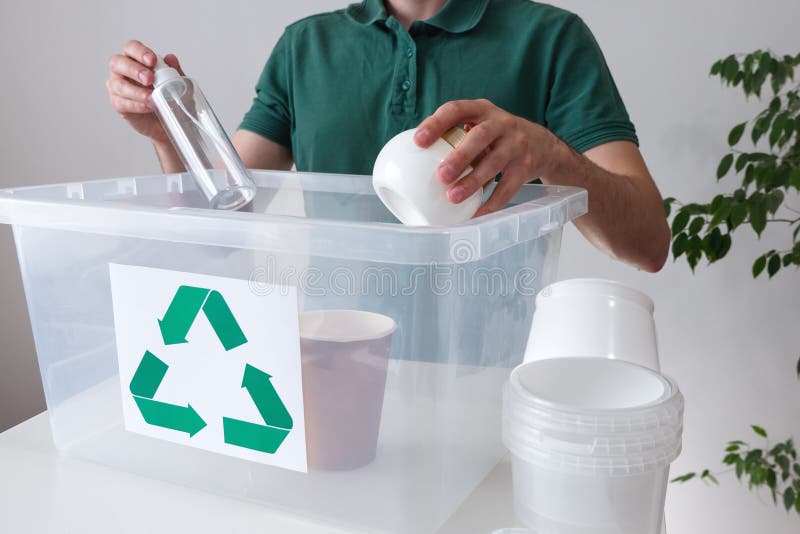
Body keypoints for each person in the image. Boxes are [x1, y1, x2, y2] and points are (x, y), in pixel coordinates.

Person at [106, 0, 670, 272]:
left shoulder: (551, 39)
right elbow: (219, 230)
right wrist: (170, 134)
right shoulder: (305, 48)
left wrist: (552, 155)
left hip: (493, 368)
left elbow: (648, 243)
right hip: (337, 353)